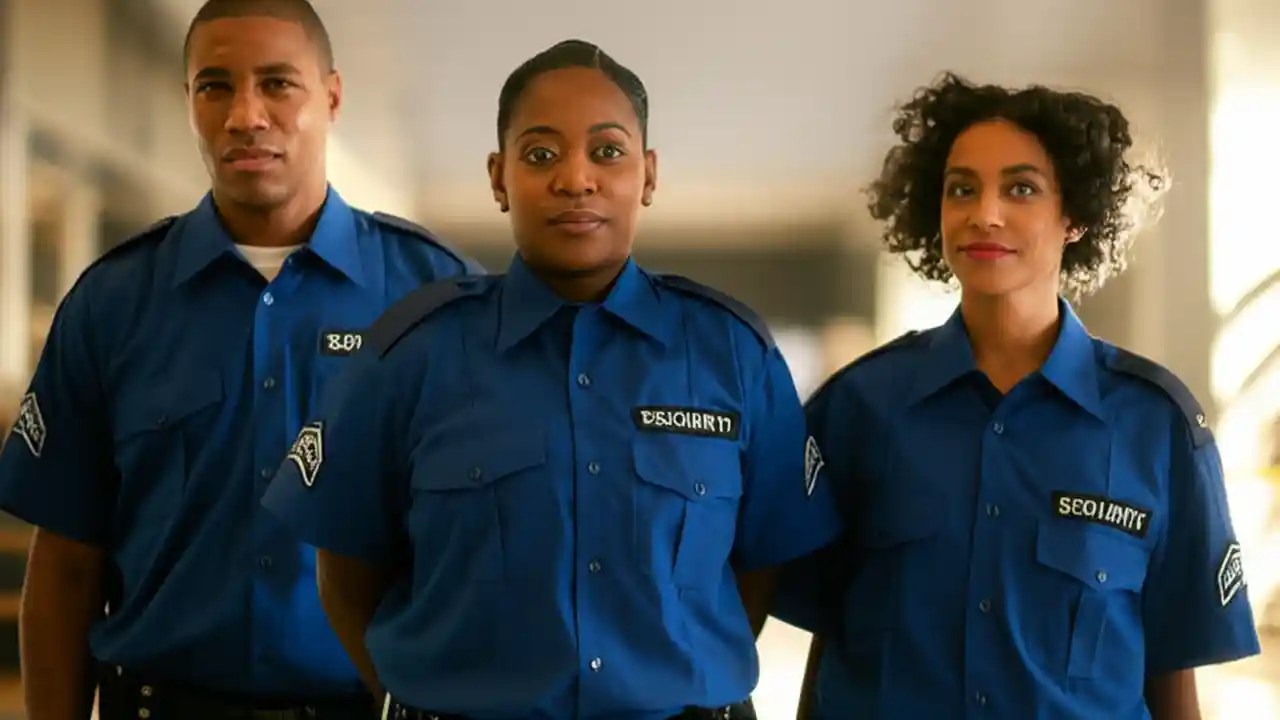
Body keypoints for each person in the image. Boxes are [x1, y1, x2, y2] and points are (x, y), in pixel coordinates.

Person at [261, 39, 843, 720]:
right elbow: (345, 573)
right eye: (540, 155)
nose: (575, 179)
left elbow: (758, 571)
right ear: (498, 177)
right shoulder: (410, 354)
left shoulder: (732, 354)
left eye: (608, 152)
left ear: (648, 175)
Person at [0, 1, 479, 718]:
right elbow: (66, 569)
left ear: (332, 96)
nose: (245, 115)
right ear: (189, 100)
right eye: (215, 86)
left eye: (278, 84)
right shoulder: (113, 303)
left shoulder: (435, 297)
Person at [772, 73, 1262, 719]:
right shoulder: (859, 407)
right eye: (961, 189)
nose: (985, 213)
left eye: (1021, 188)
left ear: (1076, 216)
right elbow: (825, 643)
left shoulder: (1157, 424)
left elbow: (1173, 672)